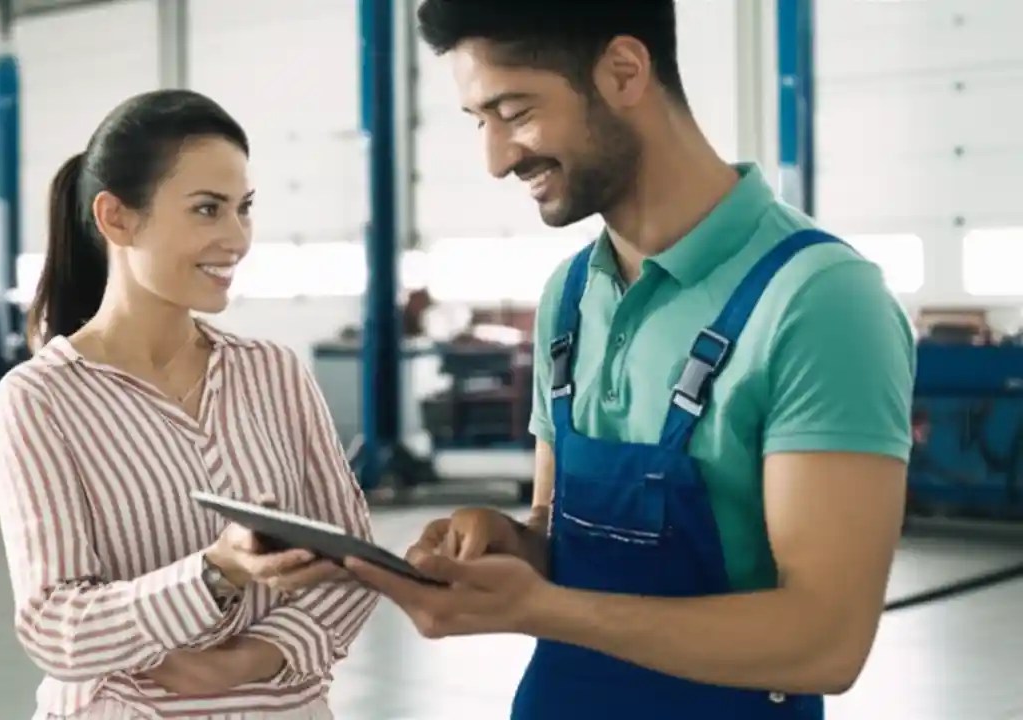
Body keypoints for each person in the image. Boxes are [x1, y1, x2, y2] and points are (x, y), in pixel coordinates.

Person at [344, 2, 915, 718]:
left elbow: (824, 642)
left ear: (622, 71)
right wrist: (512, 546)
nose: (496, 158)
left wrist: (542, 610)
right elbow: (561, 536)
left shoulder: (821, 302)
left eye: (514, 110)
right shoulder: (571, 294)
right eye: (477, 121)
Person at [0, 89, 378, 720]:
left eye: (244, 209)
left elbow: (353, 560)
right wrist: (213, 574)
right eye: (207, 210)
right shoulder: (40, 400)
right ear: (116, 218)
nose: (237, 238)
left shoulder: (274, 373)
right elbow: (55, 625)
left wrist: (245, 659)